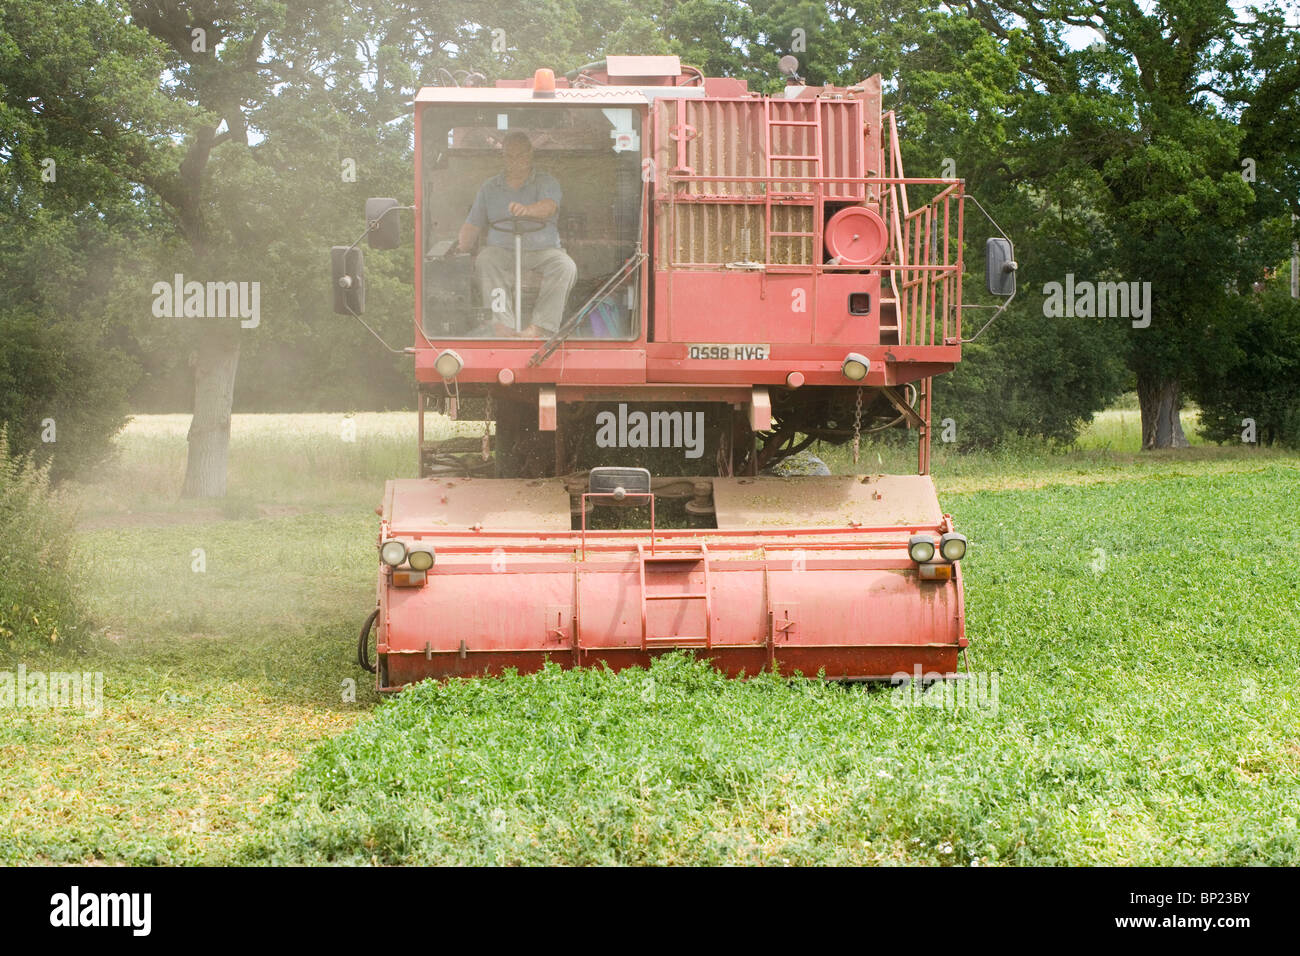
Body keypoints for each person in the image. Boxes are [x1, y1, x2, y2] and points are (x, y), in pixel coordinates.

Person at [456, 131, 577, 338]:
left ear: (530, 155)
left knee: (565, 266)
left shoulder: (547, 182)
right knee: (486, 259)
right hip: (503, 251)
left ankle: (540, 327)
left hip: (543, 251)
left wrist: (527, 210)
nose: (515, 161)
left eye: (520, 155)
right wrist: (459, 249)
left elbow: (549, 206)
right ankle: (503, 327)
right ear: (503, 157)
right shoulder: (489, 187)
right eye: (510, 156)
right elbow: (473, 223)